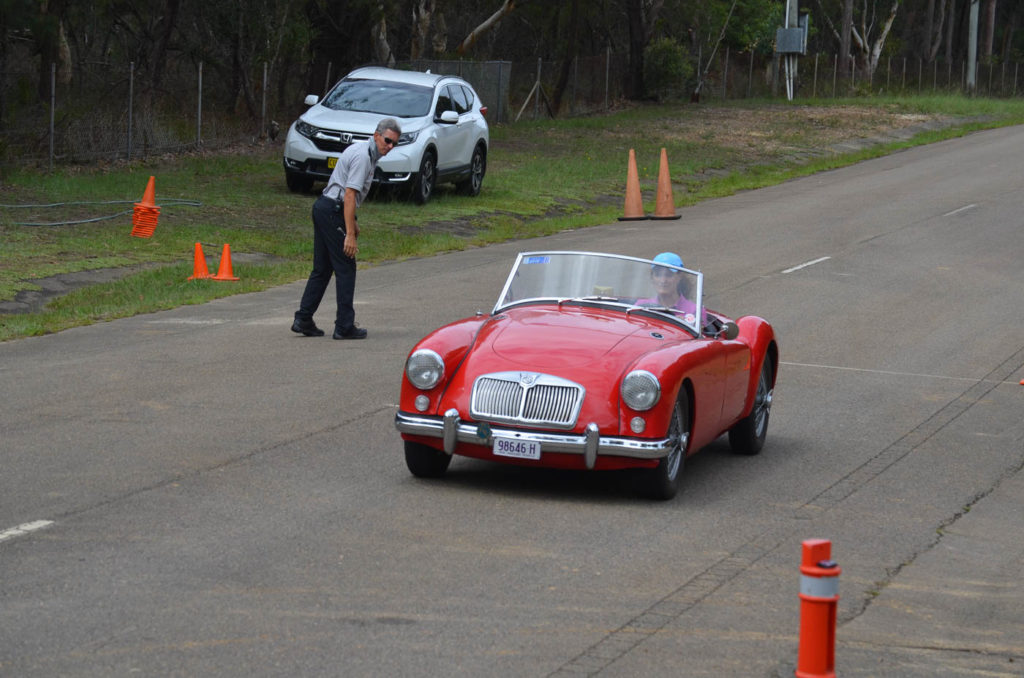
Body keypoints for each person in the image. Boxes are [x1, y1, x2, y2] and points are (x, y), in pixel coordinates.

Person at [292, 118, 402, 340]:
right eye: (387, 141)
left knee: (322, 269)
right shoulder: (363, 157)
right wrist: (349, 234)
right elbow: (349, 193)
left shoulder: (364, 152)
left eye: (394, 144)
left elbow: (344, 190)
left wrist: (352, 221)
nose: (389, 146)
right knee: (346, 266)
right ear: (376, 135)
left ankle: (304, 318)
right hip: (332, 210)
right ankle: (344, 325)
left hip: (325, 207)